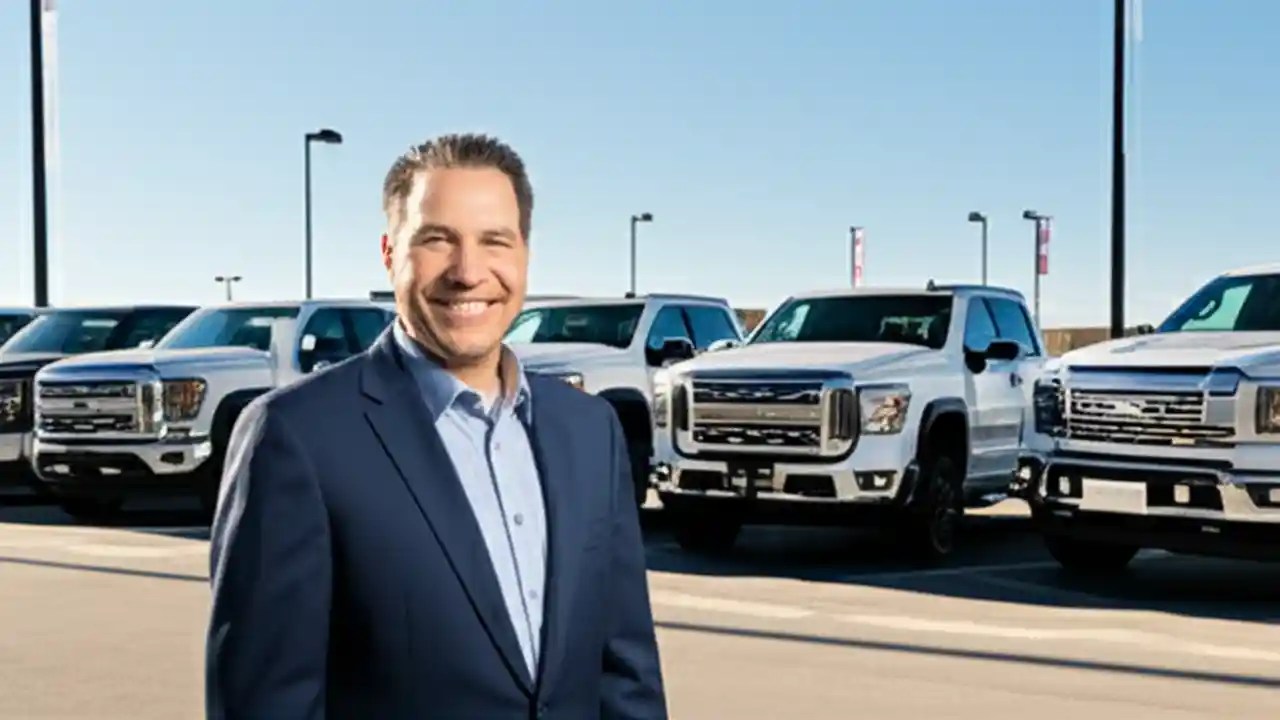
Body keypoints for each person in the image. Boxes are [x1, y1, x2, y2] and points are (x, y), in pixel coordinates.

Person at [205, 132, 668, 719]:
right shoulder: (295, 437)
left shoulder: (589, 430)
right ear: (389, 253)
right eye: (437, 240)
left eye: (494, 240)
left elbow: (625, 673)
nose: (468, 272)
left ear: (524, 254)